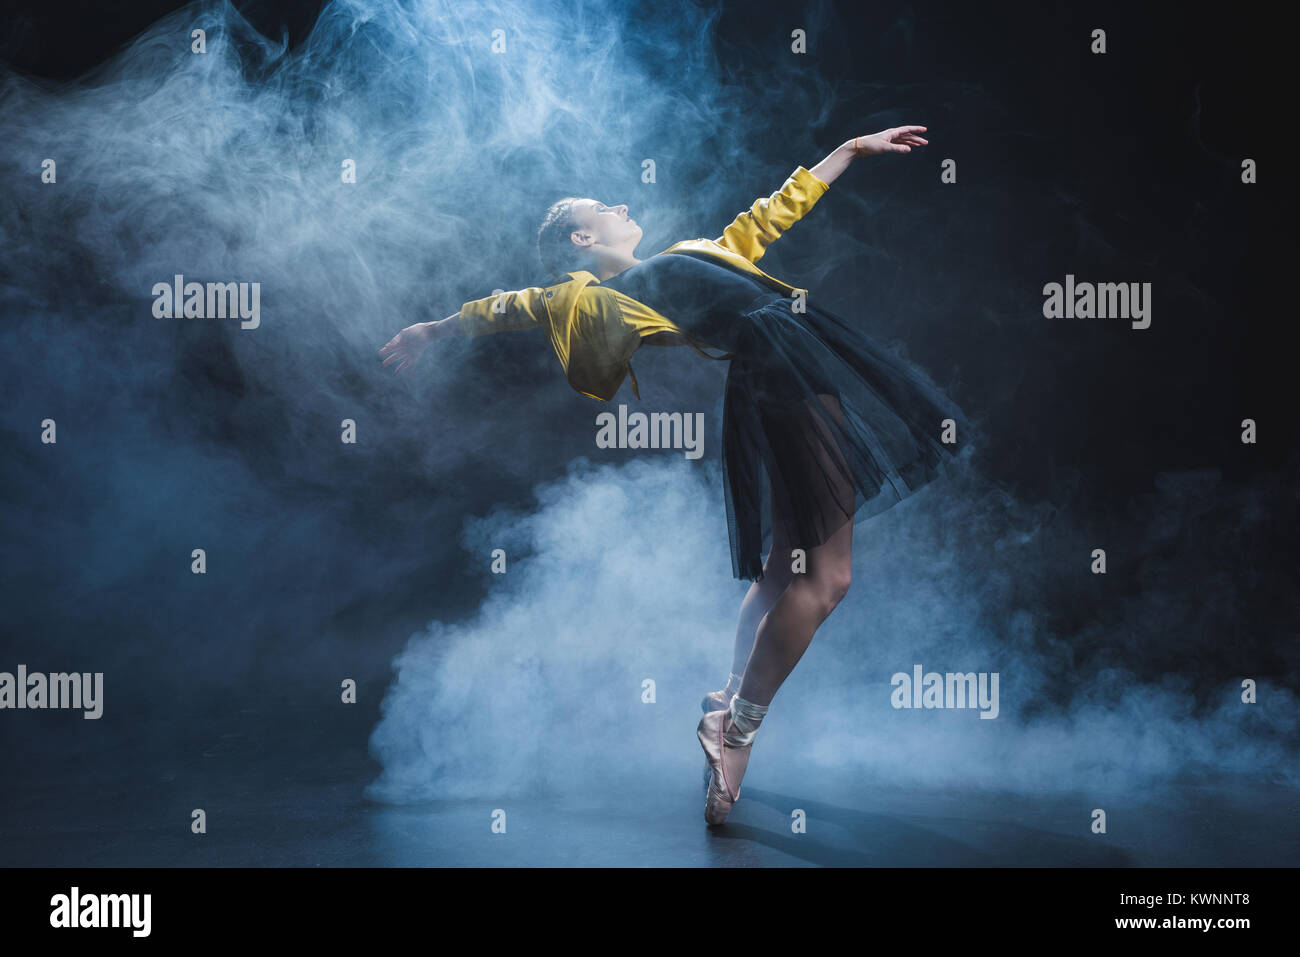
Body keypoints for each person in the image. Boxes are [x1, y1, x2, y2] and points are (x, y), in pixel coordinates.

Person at [380, 127, 969, 825]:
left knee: (786, 568)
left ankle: (726, 697)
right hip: (784, 376)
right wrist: (434, 330)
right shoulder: (598, 297)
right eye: (604, 205)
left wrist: (849, 150)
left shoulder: (693, 252)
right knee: (827, 578)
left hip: (797, 371)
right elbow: (512, 305)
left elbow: (773, 212)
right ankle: (736, 729)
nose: (622, 204)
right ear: (580, 240)